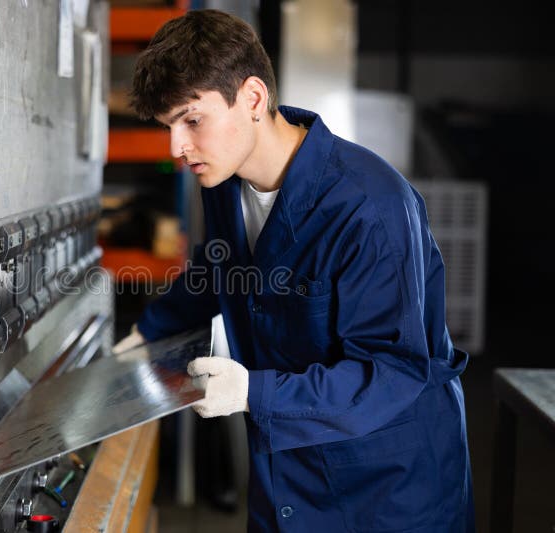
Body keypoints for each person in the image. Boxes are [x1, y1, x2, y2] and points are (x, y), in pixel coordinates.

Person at [112, 9, 474, 533]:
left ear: (254, 99)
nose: (176, 148)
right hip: (286, 475)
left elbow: (395, 371)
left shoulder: (368, 207)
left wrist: (252, 393)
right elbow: (218, 271)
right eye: (168, 127)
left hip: (385, 489)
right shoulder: (224, 182)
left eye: (191, 120)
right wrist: (146, 333)